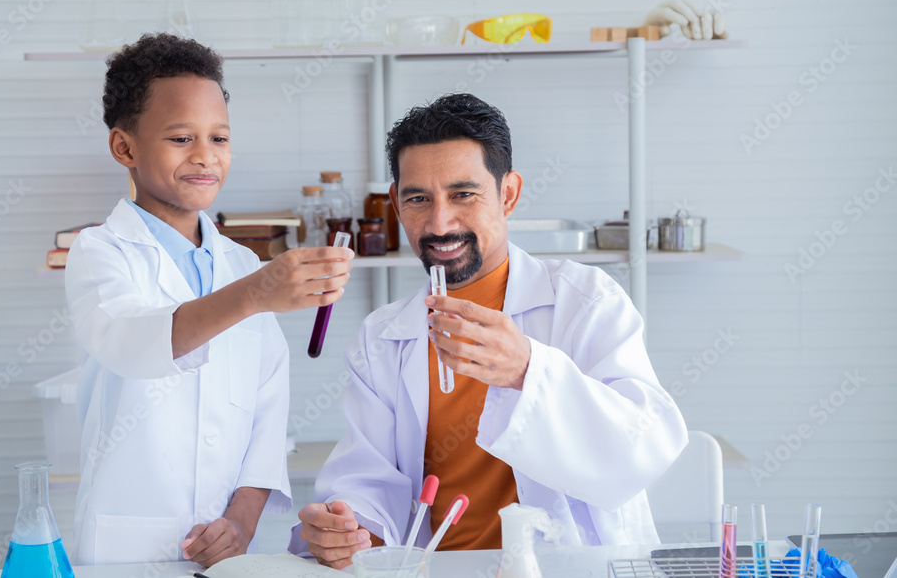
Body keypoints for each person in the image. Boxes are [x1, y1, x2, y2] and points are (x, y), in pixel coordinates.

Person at [290, 93, 688, 568]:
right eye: (419, 199)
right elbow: (369, 479)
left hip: (570, 566)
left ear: (508, 194)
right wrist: (348, 526)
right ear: (396, 204)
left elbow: (646, 445)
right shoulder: (383, 338)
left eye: (463, 194)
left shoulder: (584, 302)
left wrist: (528, 370)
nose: (440, 223)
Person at [65, 33, 353, 567]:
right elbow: (131, 342)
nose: (206, 156)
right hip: (129, 543)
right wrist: (256, 294)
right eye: (181, 138)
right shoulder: (100, 251)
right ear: (125, 147)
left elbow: (267, 411)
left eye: (219, 138)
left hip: (229, 545)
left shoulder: (241, 262)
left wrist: (241, 522)